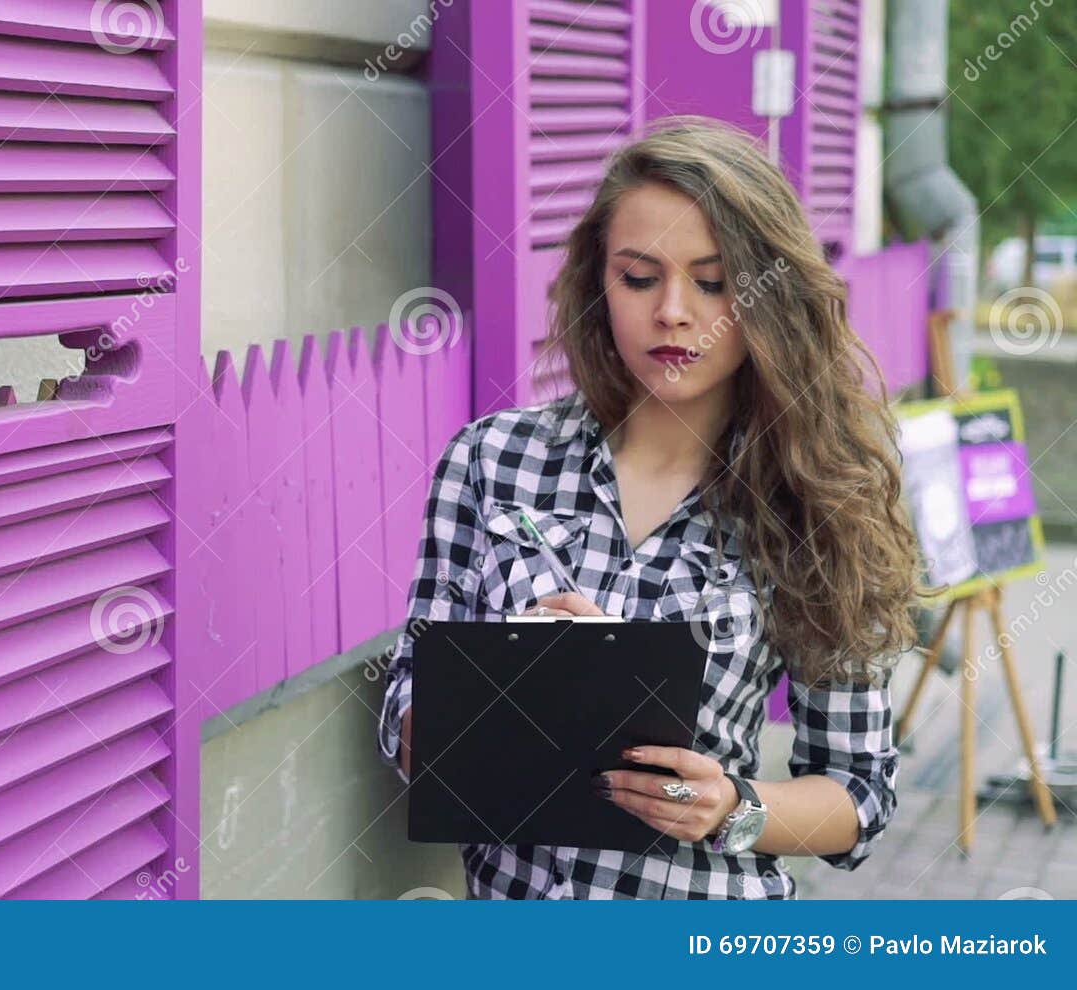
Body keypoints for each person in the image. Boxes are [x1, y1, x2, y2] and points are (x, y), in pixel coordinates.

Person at [376, 117, 925, 899]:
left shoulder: (814, 496)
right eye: (639, 277)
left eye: (713, 282)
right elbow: (404, 720)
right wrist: (498, 676)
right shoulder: (491, 461)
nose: (673, 311)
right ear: (600, 284)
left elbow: (859, 795)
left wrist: (733, 808)